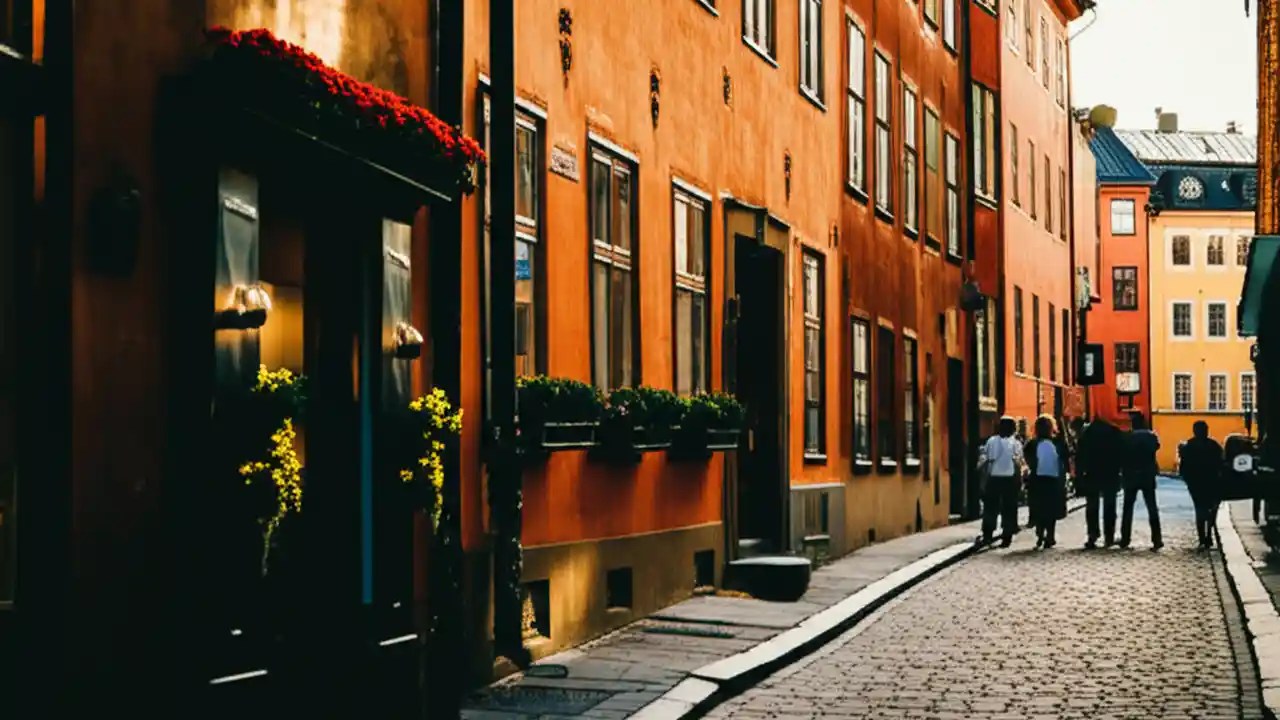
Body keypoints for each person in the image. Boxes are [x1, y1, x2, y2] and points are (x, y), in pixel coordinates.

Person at [1077, 417, 1124, 548]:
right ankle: (1109, 536)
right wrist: (1120, 470)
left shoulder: (1087, 433)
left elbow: (1080, 456)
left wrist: (1080, 475)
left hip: (1092, 473)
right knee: (1110, 506)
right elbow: (1121, 453)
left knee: (1092, 506)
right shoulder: (1114, 432)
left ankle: (1092, 535)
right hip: (1110, 473)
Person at [978, 416, 1024, 548]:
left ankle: (987, 535)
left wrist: (983, 479)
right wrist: (1019, 480)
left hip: (993, 478)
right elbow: (1018, 463)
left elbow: (985, 460)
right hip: (1009, 479)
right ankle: (1006, 536)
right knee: (1009, 508)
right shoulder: (1016, 444)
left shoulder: (991, 441)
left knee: (990, 508)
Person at [1119, 413, 1164, 550]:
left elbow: (1122, 453)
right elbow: (1156, 447)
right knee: (1152, 507)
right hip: (1147, 474)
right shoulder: (1151, 436)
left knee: (1128, 508)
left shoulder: (1127, 437)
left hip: (1131, 475)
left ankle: (1125, 539)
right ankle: (1157, 539)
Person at [1024, 415, 1068, 549]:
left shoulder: (1032, 444)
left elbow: (1028, 458)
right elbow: (1065, 457)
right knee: (1051, 508)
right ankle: (1050, 535)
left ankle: (1040, 533)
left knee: (1039, 506)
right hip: (1054, 480)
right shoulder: (1058, 443)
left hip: (1037, 479)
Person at [1179, 421, 1224, 548]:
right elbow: (1221, 462)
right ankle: (1208, 534)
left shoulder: (1189, 446)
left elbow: (1184, 467)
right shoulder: (1213, 445)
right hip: (1211, 481)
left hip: (1196, 483)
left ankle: (1202, 538)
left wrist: (1188, 480)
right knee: (1210, 509)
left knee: (1199, 508)